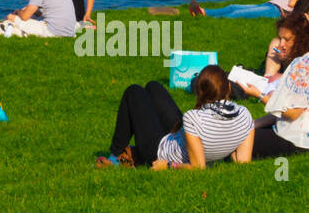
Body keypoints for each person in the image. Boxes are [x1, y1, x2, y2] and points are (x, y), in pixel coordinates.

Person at [97, 65, 254, 170]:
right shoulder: (245, 115)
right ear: (228, 88)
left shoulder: (194, 118)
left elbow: (199, 168)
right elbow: (243, 162)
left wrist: (169, 165)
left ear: (199, 92)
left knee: (134, 92)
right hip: (182, 138)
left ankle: (114, 156)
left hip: (158, 151)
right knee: (153, 86)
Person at [238, 12, 309, 158]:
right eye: (280, 38)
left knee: (239, 140)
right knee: (246, 133)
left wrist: (260, 95)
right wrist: (253, 124)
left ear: (301, 40)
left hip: (304, 140)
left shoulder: (303, 65)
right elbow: (284, 112)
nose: (281, 44)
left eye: (287, 39)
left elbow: (292, 113)